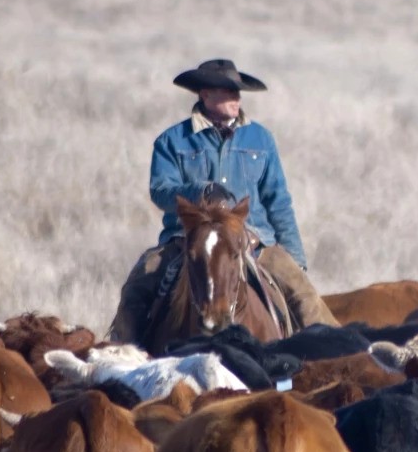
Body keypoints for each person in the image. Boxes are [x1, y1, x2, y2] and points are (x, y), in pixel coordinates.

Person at [108, 58, 338, 344]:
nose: (236, 98)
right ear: (205, 94)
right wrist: (199, 191)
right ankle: (123, 363)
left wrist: (294, 255)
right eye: (228, 91)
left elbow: (277, 200)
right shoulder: (172, 141)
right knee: (138, 285)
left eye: (237, 92)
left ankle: (340, 358)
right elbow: (160, 189)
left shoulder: (261, 139)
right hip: (186, 239)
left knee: (304, 296)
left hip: (253, 238)